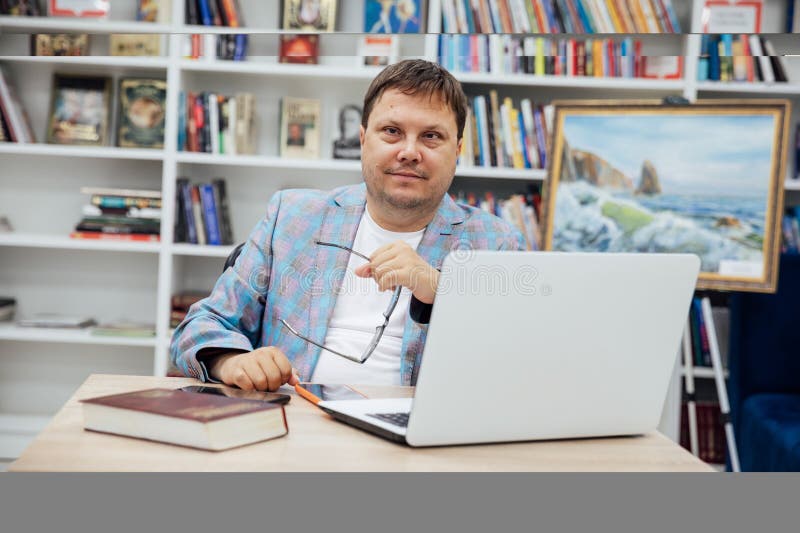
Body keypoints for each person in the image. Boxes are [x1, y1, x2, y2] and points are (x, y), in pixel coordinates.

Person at [170, 59, 525, 391]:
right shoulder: (291, 216)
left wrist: (441, 291)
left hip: (420, 438)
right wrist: (232, 362)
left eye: (431, 136)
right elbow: (200, 327)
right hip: (297, 420)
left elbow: (517, 363)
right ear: (362, 139)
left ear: (458, 149)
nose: (410, 151)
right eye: (391, 131)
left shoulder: (495, 243)